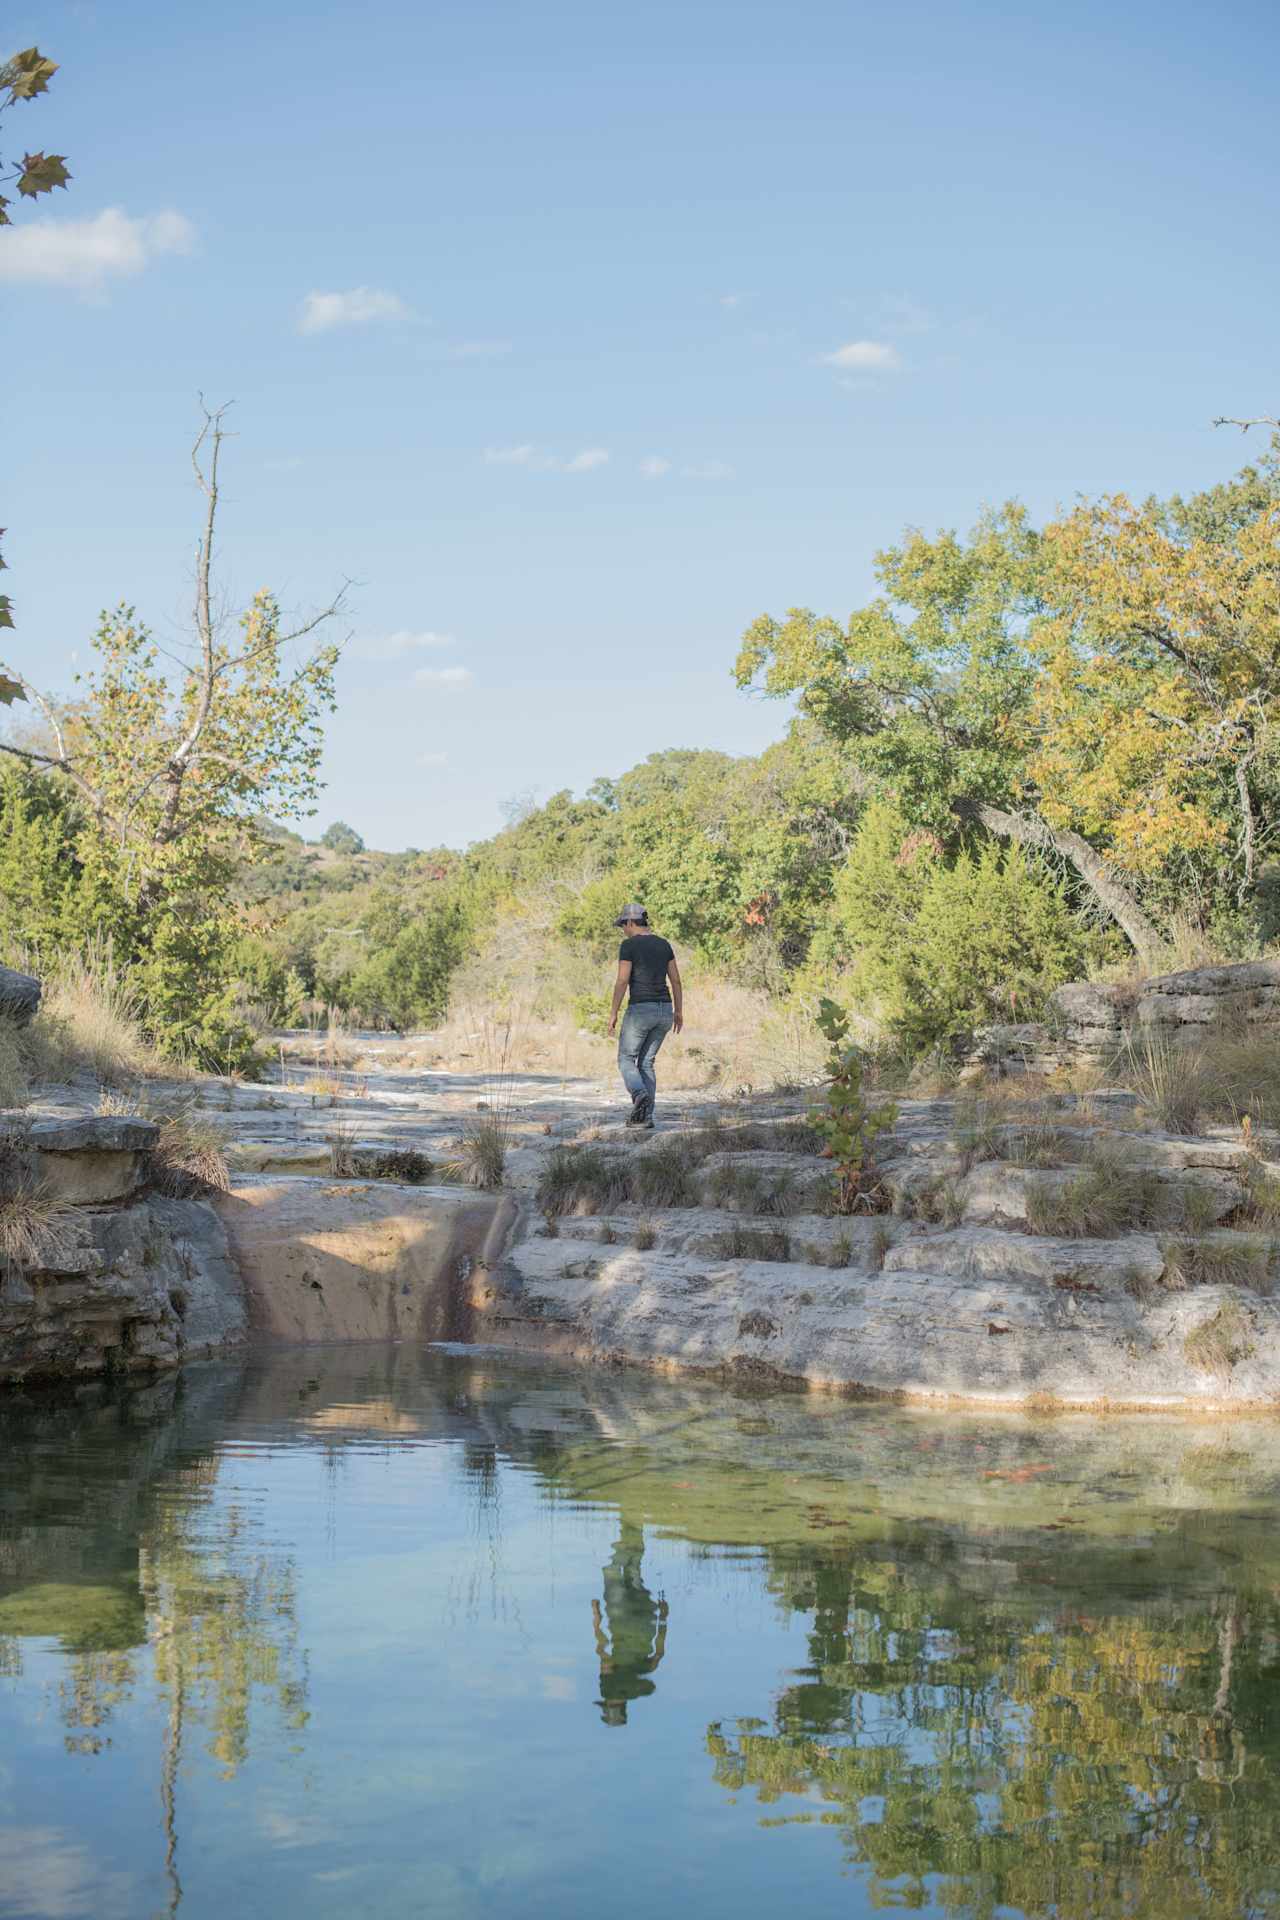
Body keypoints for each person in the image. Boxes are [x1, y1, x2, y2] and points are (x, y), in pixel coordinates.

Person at [607, 904, 683, 1129]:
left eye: (623, 925)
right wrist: (679, 1011)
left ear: (631, 922)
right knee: (647, 1063)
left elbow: (622, 980)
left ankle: (640, 1095)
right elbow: (676, 980)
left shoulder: (629, 946)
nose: (623, 929)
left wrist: (613, 1012)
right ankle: (645, 1118)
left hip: (641, 1009)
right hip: (665, 1010)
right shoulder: (664, 944)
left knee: (626, 1059)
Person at [591, 1519, 669, 1727]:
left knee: (634, 1571)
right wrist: (596, 1617)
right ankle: (629, 1525)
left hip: (646, 1622)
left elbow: (659, 1653)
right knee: (611, 1571)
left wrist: (663, 1618)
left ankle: (635, 1525)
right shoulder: (609, 1686)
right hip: (622, 1618)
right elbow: (603, 1653)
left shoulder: (642, 1680)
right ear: (610, 1704)